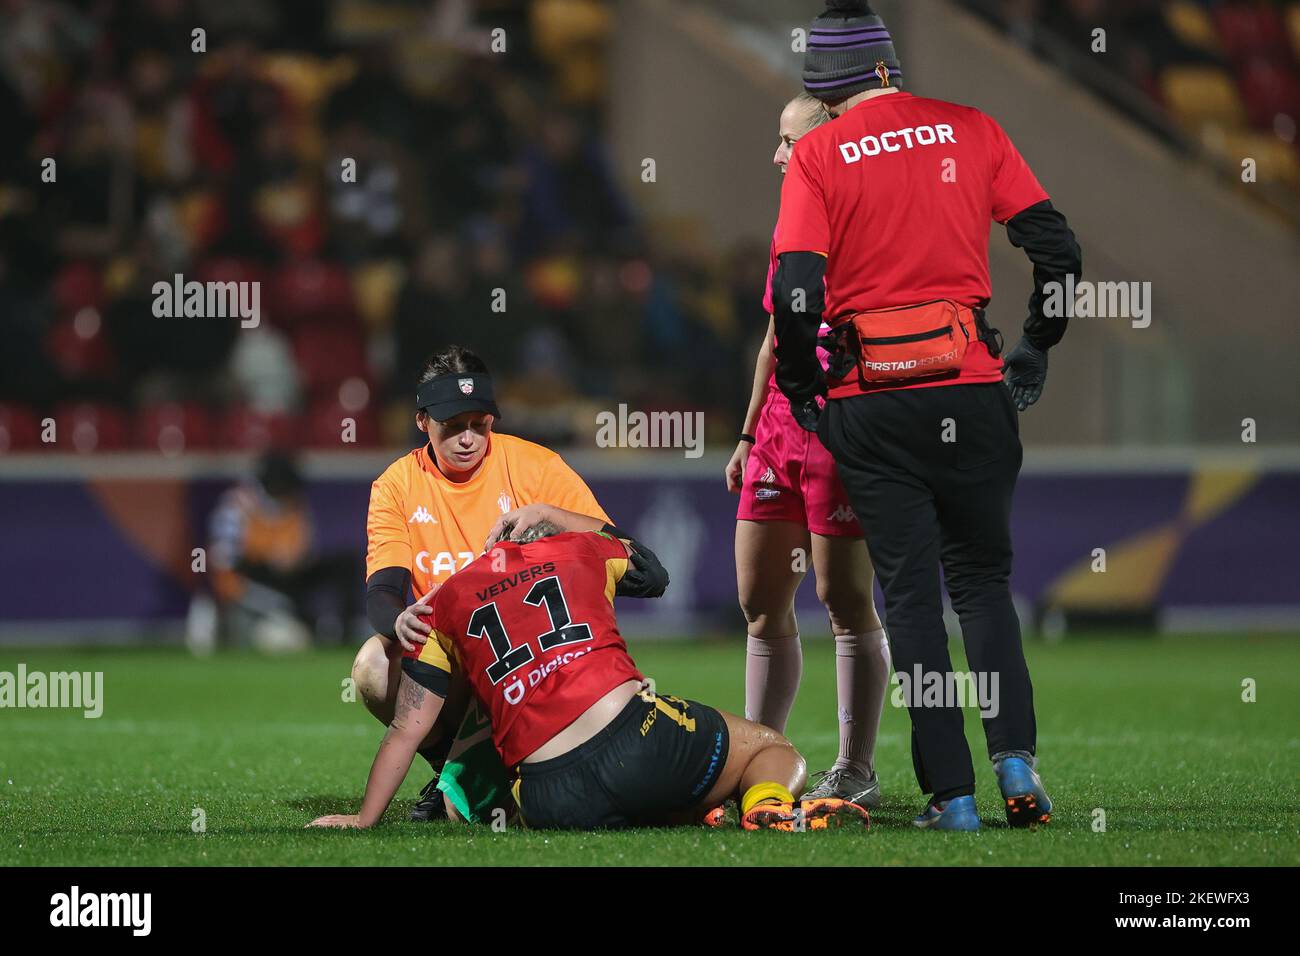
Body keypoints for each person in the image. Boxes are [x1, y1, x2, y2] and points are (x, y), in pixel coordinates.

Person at [771, 1, 1082, 830]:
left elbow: (798, 291)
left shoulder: (820, 152)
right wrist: (1035, 345)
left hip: (874, 403)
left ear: (825, 91)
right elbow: (1056, 250)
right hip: (974, 389)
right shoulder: (971, 128)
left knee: (908, 601)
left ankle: (953, 798)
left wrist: (805, 392)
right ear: (886, 68)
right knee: (982, 585)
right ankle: (1016, 761)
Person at [310, 522, 870, 831]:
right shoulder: (577, 548)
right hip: (634, 741)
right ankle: (766, 804)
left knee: (639, 791)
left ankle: (708, 809)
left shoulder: (447, 600)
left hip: (549, 797)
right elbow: (652, 569)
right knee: (771, 749)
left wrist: (363, 819)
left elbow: (405, 731)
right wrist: (560, 514)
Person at [354, 344, 613, 820]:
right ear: (422, 422)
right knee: (373, 664)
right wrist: (399, 619)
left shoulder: (536, 467)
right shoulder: (396, 485)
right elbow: (383, 591)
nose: (469, 438)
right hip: (452, 661)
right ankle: (448, 768)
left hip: (531, 661)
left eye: (480, 423)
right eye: (453, 426)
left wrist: (553, 518)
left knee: (475, 812)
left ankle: (483, 769)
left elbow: (615, 547)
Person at [725, 91, 890, 809]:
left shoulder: (873, 226)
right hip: (777, 439)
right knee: (761, 603)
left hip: (842, 436)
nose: (777, 154)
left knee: (845, 601)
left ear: (825, 145)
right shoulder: (791, 226)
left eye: (789, 140)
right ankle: (762, 760)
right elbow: (773, 337)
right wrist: (746, 431)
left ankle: (856, 769)